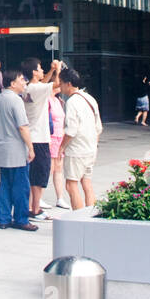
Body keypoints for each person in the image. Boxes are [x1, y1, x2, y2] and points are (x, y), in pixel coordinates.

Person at [0, 67, 37, 231]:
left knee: (5, 186)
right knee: (21, 187)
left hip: (2, 148)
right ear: (13, 82)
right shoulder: (16, 101)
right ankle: (21, 219)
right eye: (22, 79)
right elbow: (23, 127)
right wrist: (31, 148)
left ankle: (4, 219)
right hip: (16, 150)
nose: (24, 82)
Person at [20, 57, 61, 219]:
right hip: (40, 138)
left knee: (34, 175)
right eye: (40, 68)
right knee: (40, 175)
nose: (43, 71)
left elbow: (44, 83)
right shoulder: (37, 89)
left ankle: (32, 207)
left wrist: (50, 71)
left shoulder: (28, 88)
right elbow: (56, 84)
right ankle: (35, 209)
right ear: (34, 72)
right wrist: (57, 69)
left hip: (32, 136)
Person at [60, 68, 103, 209]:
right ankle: (90, 218)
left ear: (68, 83)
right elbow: (98, 127)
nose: (59, 86)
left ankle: (78, 220)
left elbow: (71, 130)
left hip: (76, 151)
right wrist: (93, 145)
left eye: (60, 83)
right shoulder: (90, 98)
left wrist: (61, 148)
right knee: (87, 184)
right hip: (91, 150)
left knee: (71, 185)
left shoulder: (72, 102)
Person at [47, 89, 69, 209]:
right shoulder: (47, 100)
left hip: (60, 136)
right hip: (52, 136)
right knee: (50, 167)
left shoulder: (58, 100)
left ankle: (60, 198)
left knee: (59, 168)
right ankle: (37, 197)